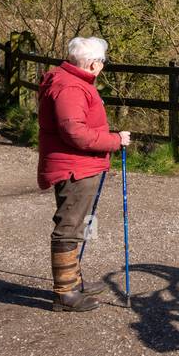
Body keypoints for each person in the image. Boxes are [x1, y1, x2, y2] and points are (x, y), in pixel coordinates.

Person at [37, 37, 131, 312]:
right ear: (93, 63)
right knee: (69, 226)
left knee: (75, 224)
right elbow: (74, 133)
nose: (102, 66)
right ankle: (65, 292)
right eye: (102, 61)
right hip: (75, 167)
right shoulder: (71, 88)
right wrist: (115, 140)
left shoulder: (70, 81)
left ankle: (73, 281)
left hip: (77, 164)